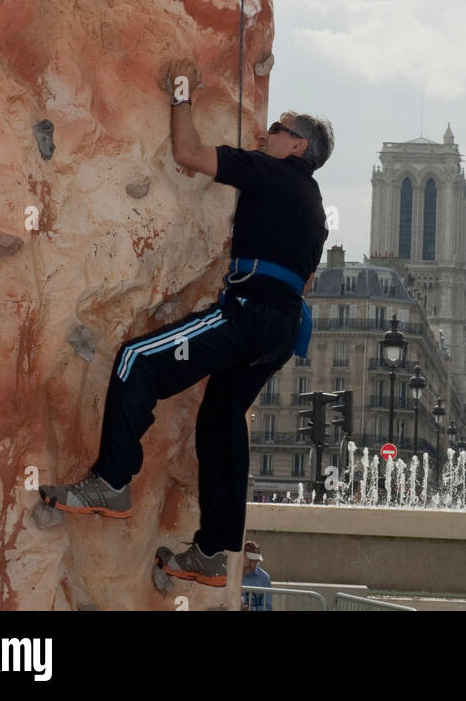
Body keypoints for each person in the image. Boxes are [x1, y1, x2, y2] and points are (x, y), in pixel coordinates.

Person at [39, 57, 333, 592]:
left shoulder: (272, 172)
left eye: (278, 129)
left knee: (136, 359)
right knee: (221, 420)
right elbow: (308, 277)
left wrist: (180, 94)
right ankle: (215, 553)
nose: (266, 134)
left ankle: (111, 482)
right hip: (281, 330)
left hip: (248, 314)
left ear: (297, 147)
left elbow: (189, 153)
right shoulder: (314, 204)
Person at [240, 540, 272, 612]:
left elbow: (268, 607)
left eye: (256, 562)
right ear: (241, 556)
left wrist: (251, 609)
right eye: (250, 561)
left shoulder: (264, 578)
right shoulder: (229, 574)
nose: (253, 565)